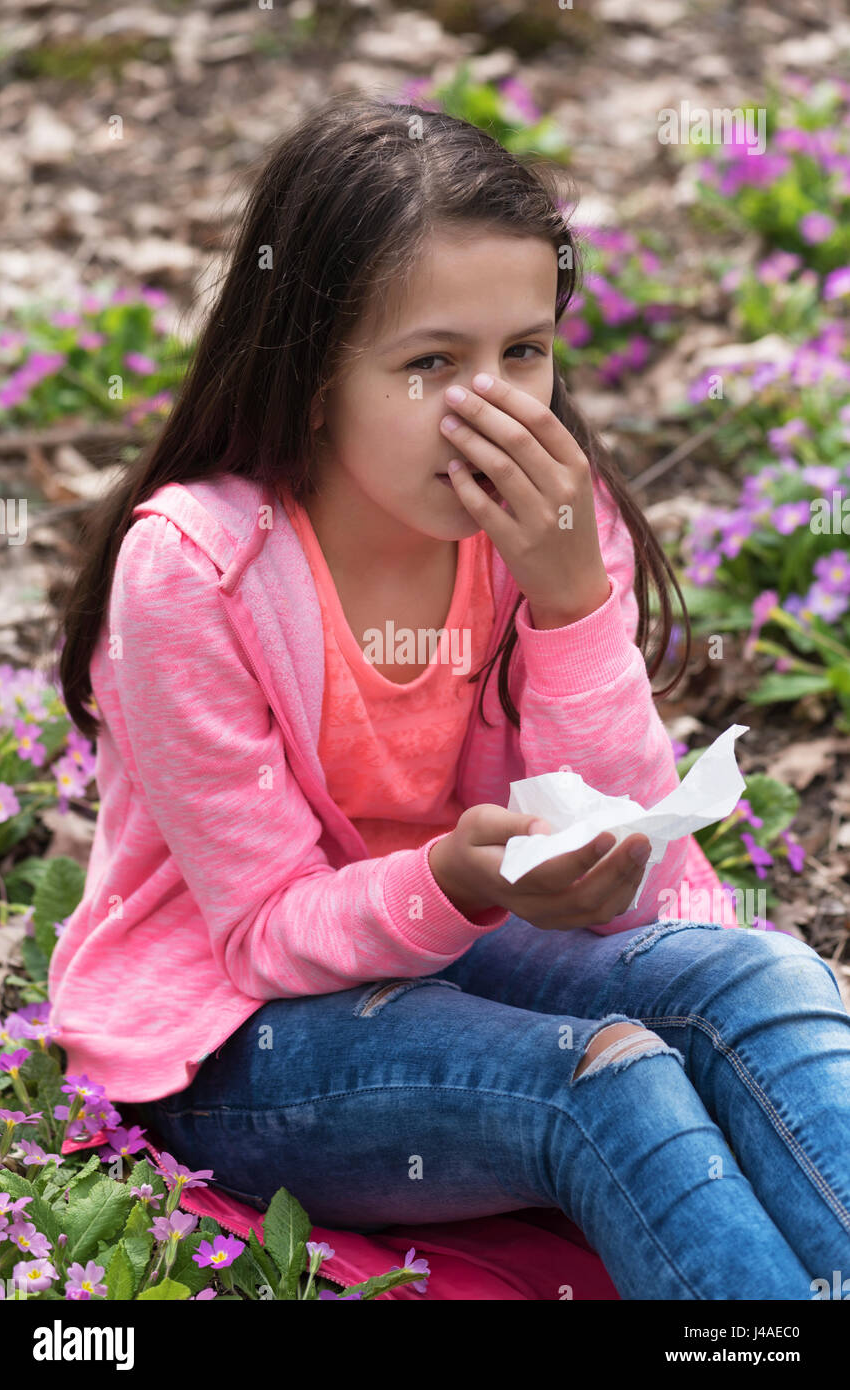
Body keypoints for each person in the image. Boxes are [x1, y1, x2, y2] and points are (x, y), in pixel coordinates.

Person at [49, 92, 850, 1300]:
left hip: (469, 953)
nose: (498, 407)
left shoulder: (548, 528)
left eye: (523, 351)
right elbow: (266, 933)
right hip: (240, 1032)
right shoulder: (196, 570)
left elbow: (629, 861)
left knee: (769, 981)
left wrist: (574, 604)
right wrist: (451, 881)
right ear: (312, 376)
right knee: (614, 1079)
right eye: (432, 363)